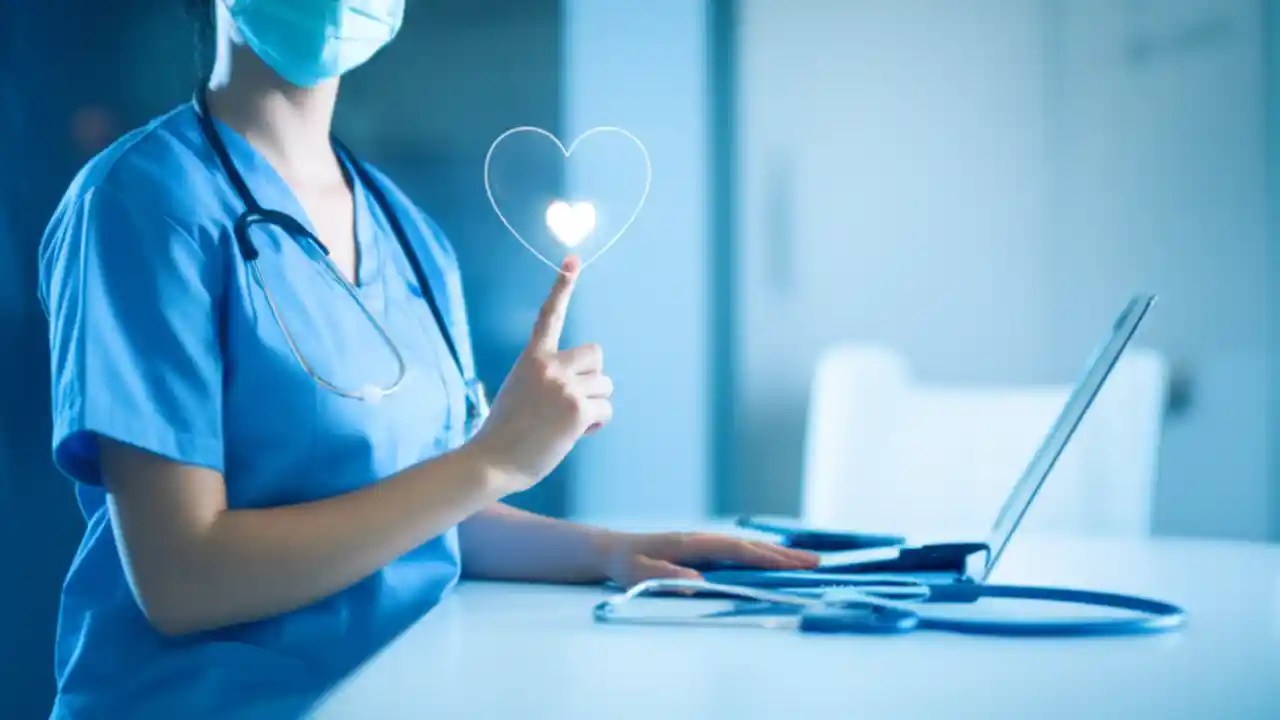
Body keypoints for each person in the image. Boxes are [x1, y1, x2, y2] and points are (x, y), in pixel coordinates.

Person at [37, 1, 818, 717]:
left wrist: (612, 550)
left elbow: (427, 514)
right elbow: (183, 580)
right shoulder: (141, 205)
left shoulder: (406, 232)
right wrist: (492, 460)